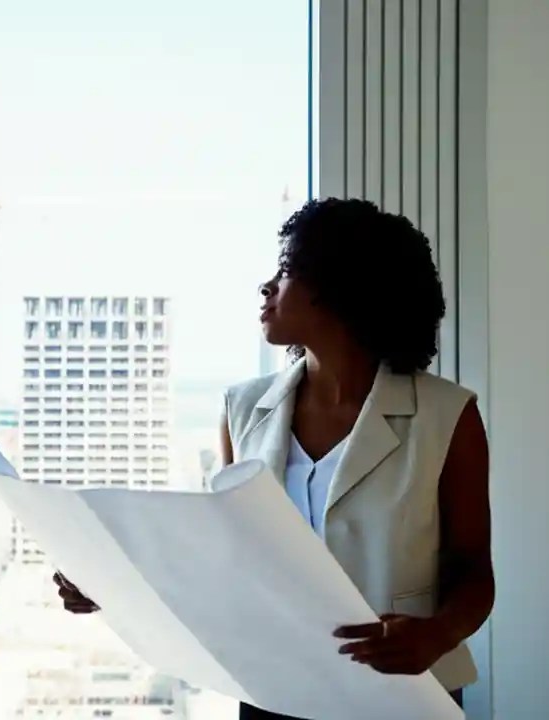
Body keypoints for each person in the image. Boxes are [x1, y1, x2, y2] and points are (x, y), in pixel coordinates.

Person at [54, 198, 495, 719]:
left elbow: (474, 572)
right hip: (276, 694)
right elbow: (224, 561)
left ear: (340, 286)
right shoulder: (242, 410)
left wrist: (436, 635)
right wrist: (111, 583)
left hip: (403, 695)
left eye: (285, 272)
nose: (267, 287)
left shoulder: (447, 415)